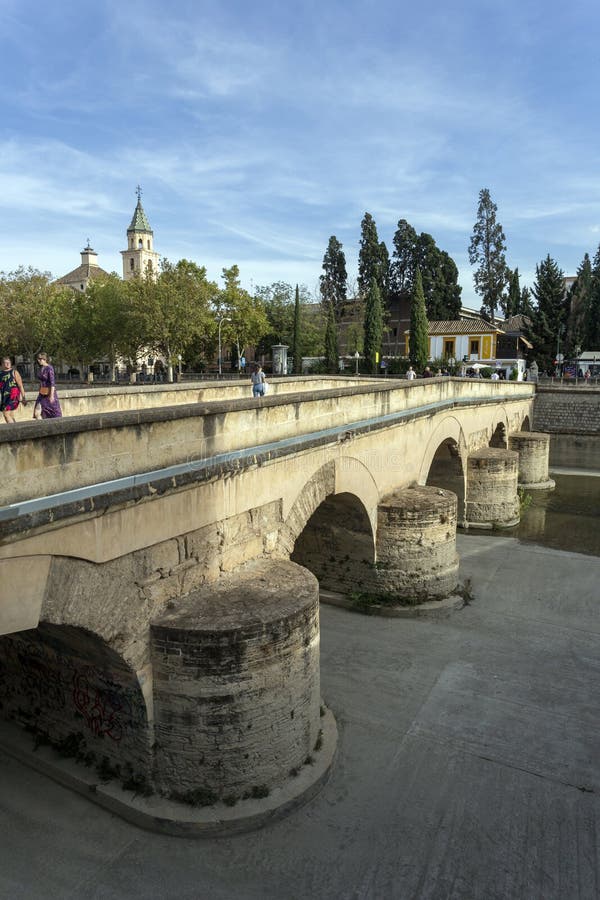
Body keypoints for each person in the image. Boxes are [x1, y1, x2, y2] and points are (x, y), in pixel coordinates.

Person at [34, 352, 62, 419]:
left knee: (53, 413)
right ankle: (42, 427)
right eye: (38, 359)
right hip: (42, 393)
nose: (39, 360)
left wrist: (51, 395)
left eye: (40, 359)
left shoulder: (49, 368)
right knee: (37, 413)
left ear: (45, 359)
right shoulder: (40, 368)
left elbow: (52, 383)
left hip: (49, 393)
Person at [0, 356, 27, 423]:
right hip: (4, 397)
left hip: (13, 396)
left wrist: (24, 398)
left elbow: (20, 386)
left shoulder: (14, 372)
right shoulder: (0, 374)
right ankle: (16, 429)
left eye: (9, 362)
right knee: (10, 415)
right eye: (5, 362)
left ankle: (13, 431)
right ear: (2, 364)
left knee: (6, 413)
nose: (7, 364)